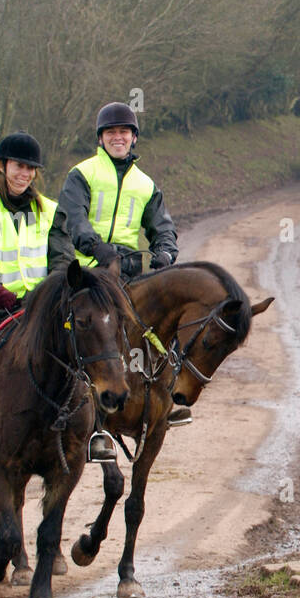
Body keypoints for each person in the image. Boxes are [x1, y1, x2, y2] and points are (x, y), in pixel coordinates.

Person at [0, 133, 118, 469]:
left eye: (30, 168)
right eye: (18, 166)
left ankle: (96, 433)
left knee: (85, 346)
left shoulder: (52, 212)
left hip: (40, 307)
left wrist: (46, 294)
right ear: (3, 167)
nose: (24, 174)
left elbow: (61, 259)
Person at [49, 101, 182, 424]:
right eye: (111, 132)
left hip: (128, 271)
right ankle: (71, 410)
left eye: (124, 132)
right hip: (86, 273)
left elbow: (162, 228)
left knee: (165, 320)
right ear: (100, 139)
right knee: (86, 334)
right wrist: (99, 249)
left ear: (134, 138)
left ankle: (168, 395)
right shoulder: (81, 174)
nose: (117, 137)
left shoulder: (146, 185)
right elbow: (74, 221)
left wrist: (165, 252)